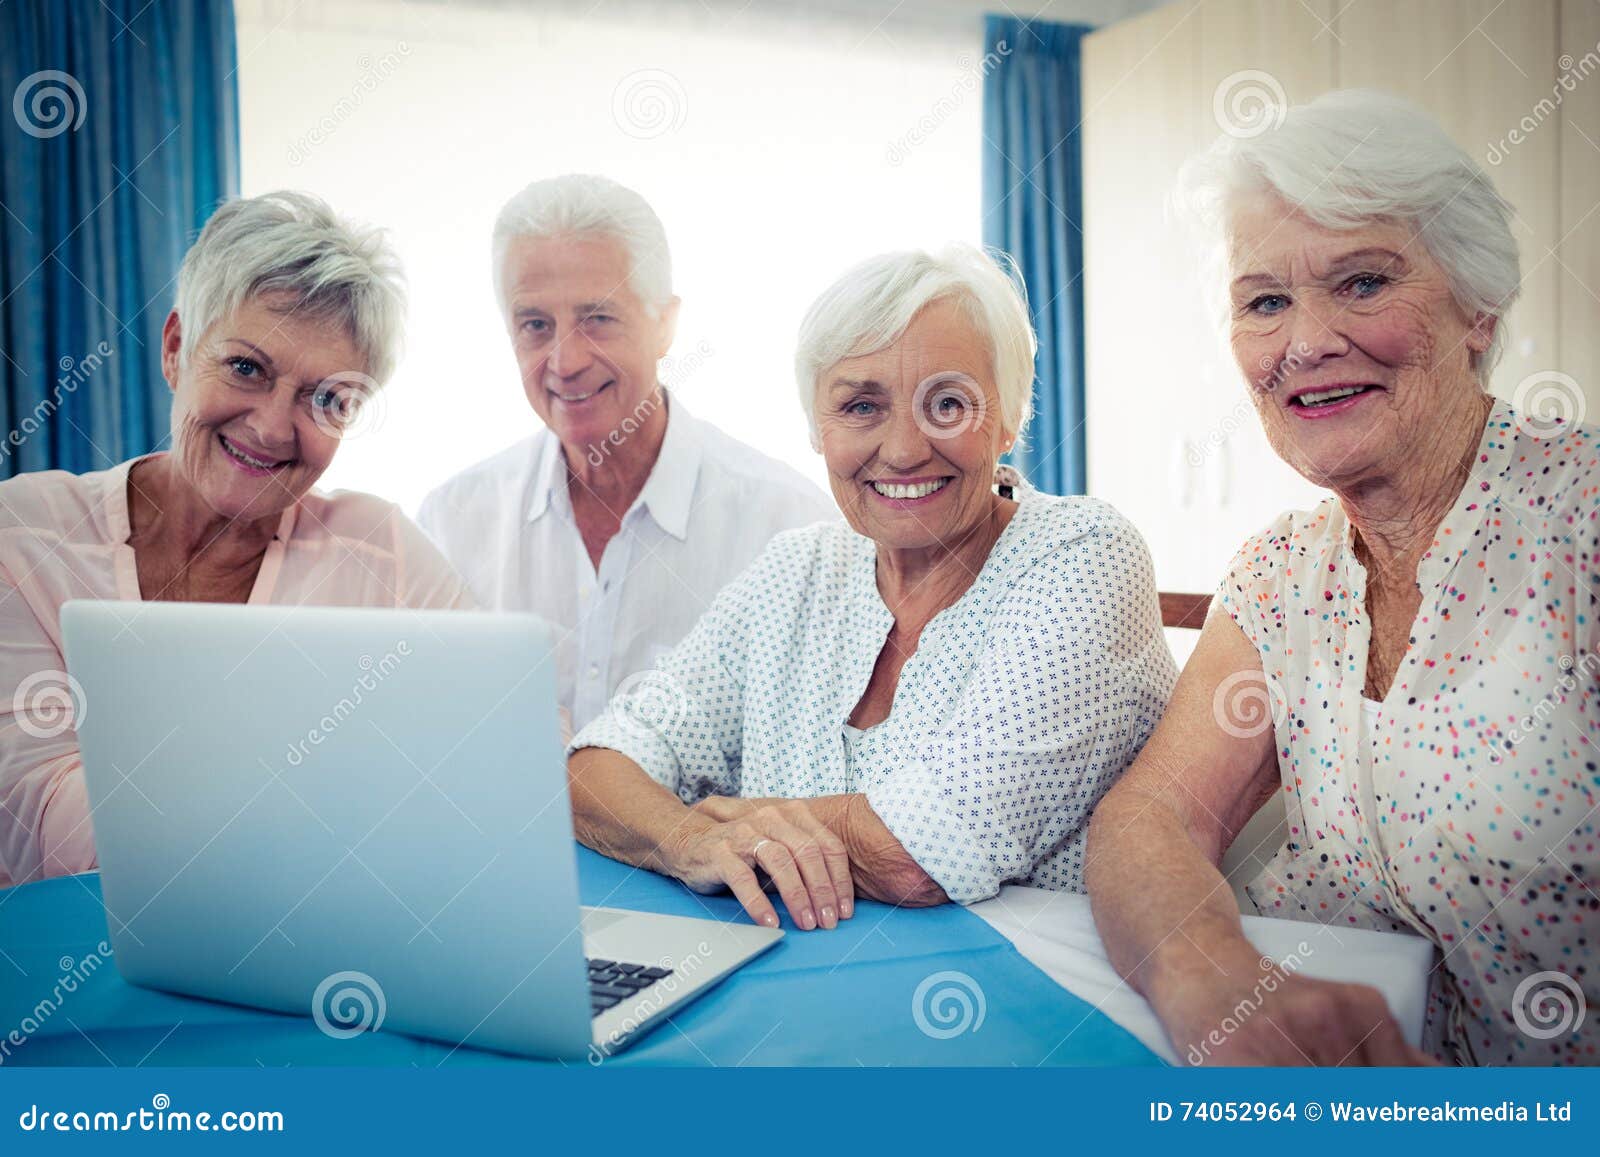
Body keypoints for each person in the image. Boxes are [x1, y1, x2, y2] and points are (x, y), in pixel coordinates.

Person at [1086, 90, 1597, 1066]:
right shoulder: (1280, 571)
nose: (1306, 341)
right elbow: (1150, 815)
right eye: (1265, 301)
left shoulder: (1581, 526)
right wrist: (1203, 972)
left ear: (1477, 305)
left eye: (1362, 282)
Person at [566, 244, 1176, 932]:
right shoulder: (794, 570)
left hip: (1033, 984)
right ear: (817, 429)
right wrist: (688, 839)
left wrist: (733, 821)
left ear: (1009, 417)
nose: (905, 449)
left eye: (948, 403)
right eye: (861, 406)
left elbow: (924, 853)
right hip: (791, 971)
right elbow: (596, 768)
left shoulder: (1084, 555)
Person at [0, 192, 471, 887]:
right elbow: (40, 834)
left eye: (326, 399)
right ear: (176, 349)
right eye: (247, 367)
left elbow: (510, 742)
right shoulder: (25, 535)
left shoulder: (382, 552)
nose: (274, 428)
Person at [416, 175, 834, 733]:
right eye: (536, 325)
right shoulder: (451, 524)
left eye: (598, 318)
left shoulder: (788, 526)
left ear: (664, 326)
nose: (565, 362)